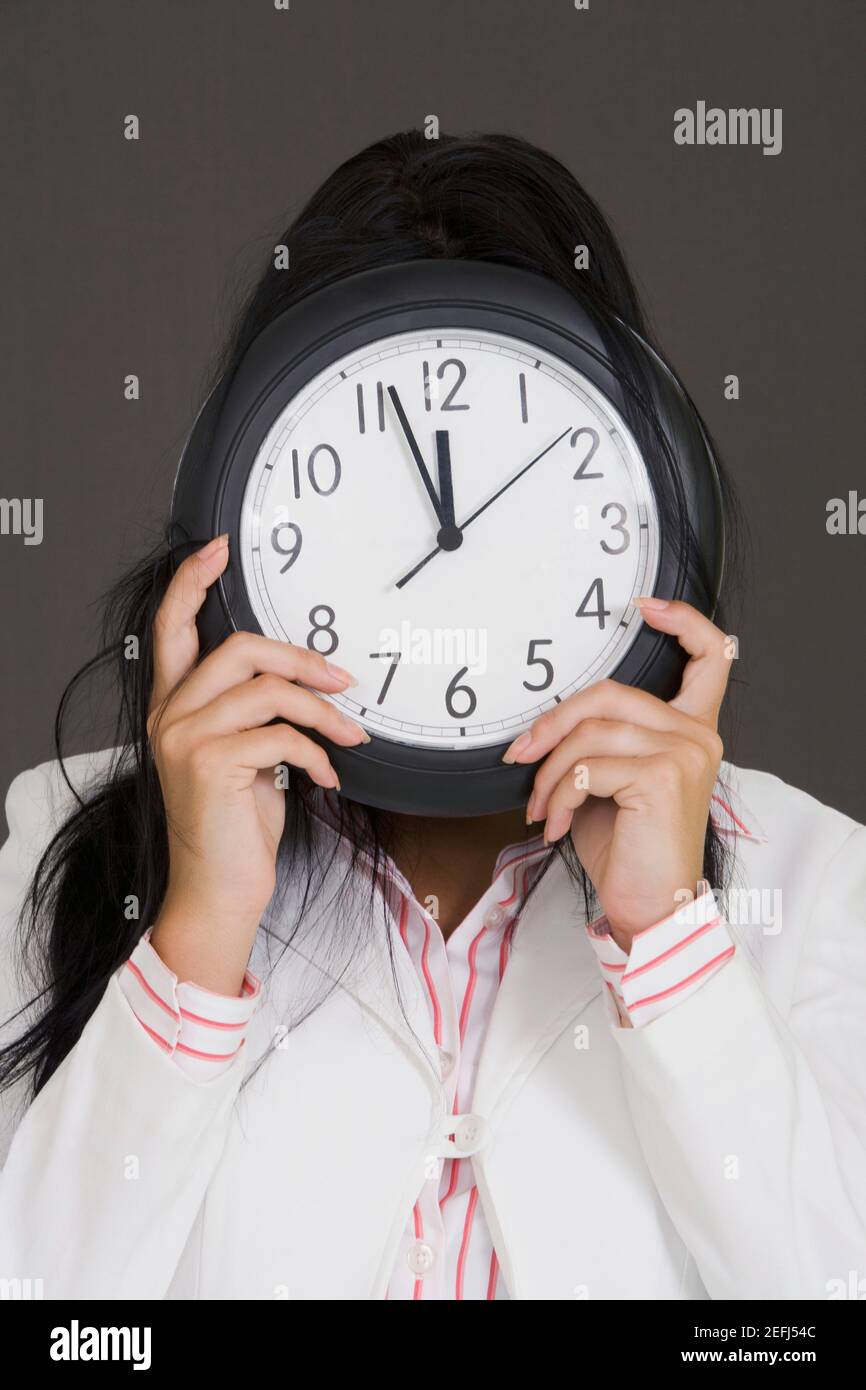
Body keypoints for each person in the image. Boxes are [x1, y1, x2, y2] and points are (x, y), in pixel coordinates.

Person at [0, 131, 864, 1301]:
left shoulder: (804, 881)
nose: (452, 567)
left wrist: (668, 936)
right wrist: (197, 928)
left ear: (639, 503)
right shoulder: (66, 842)